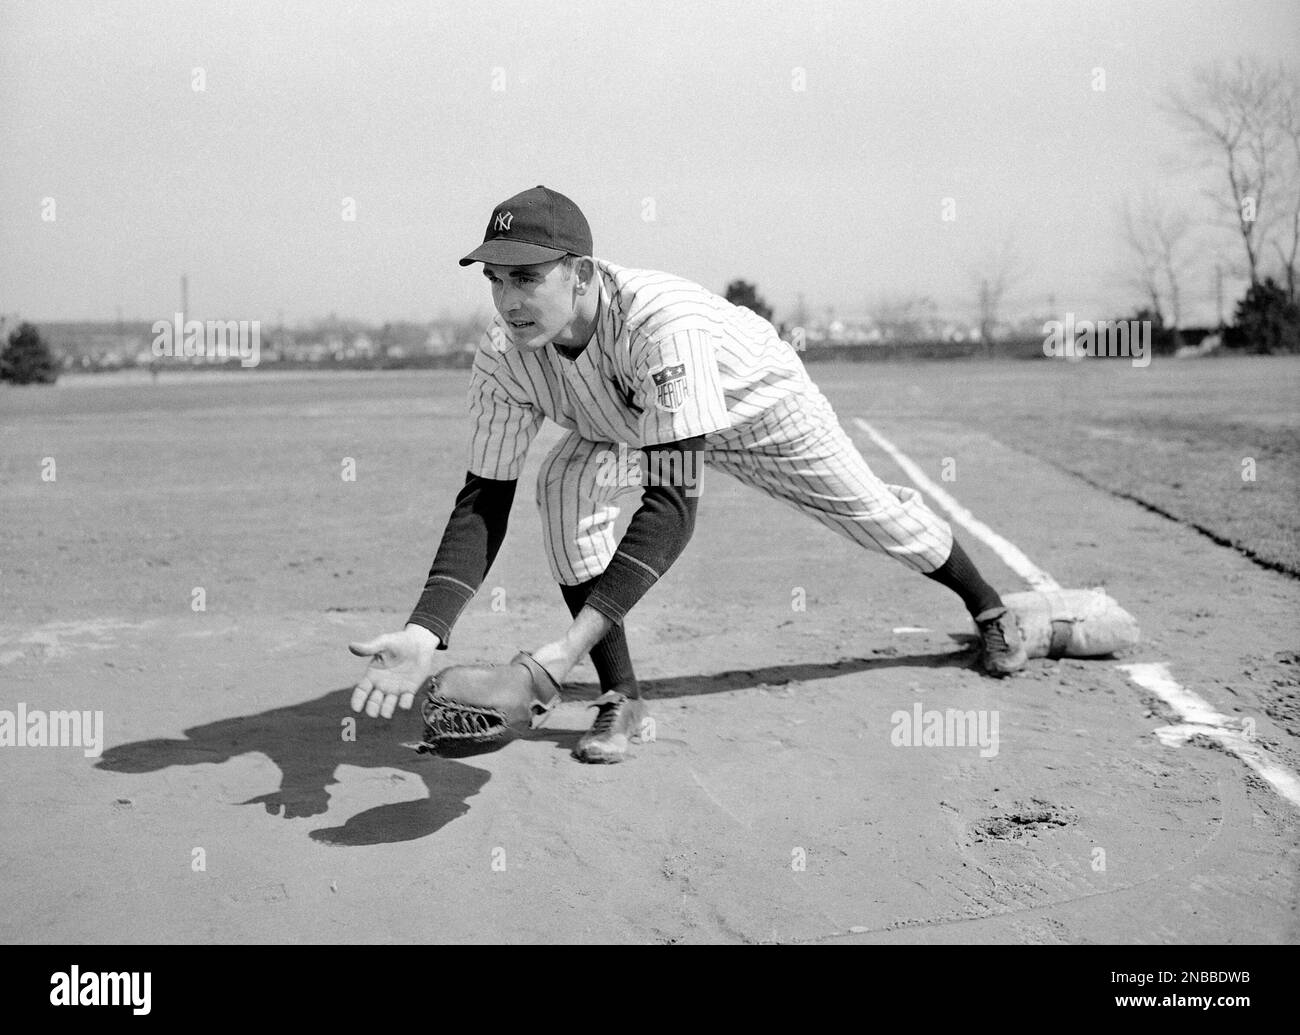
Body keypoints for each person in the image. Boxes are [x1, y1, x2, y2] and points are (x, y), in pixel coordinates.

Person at [350, 185, 1026, 763]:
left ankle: (989, 605)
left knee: (871, 512)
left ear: (580, 274)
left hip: (756, 406)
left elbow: (671, 503)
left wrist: (561, 651)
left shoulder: (657, 323)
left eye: (526, 277)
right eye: (494, 279)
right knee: (561, 486)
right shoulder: (504, 356)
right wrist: (425, 627)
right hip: (622, 419)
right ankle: (623, 696)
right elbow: (485, 495)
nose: (508, 299)